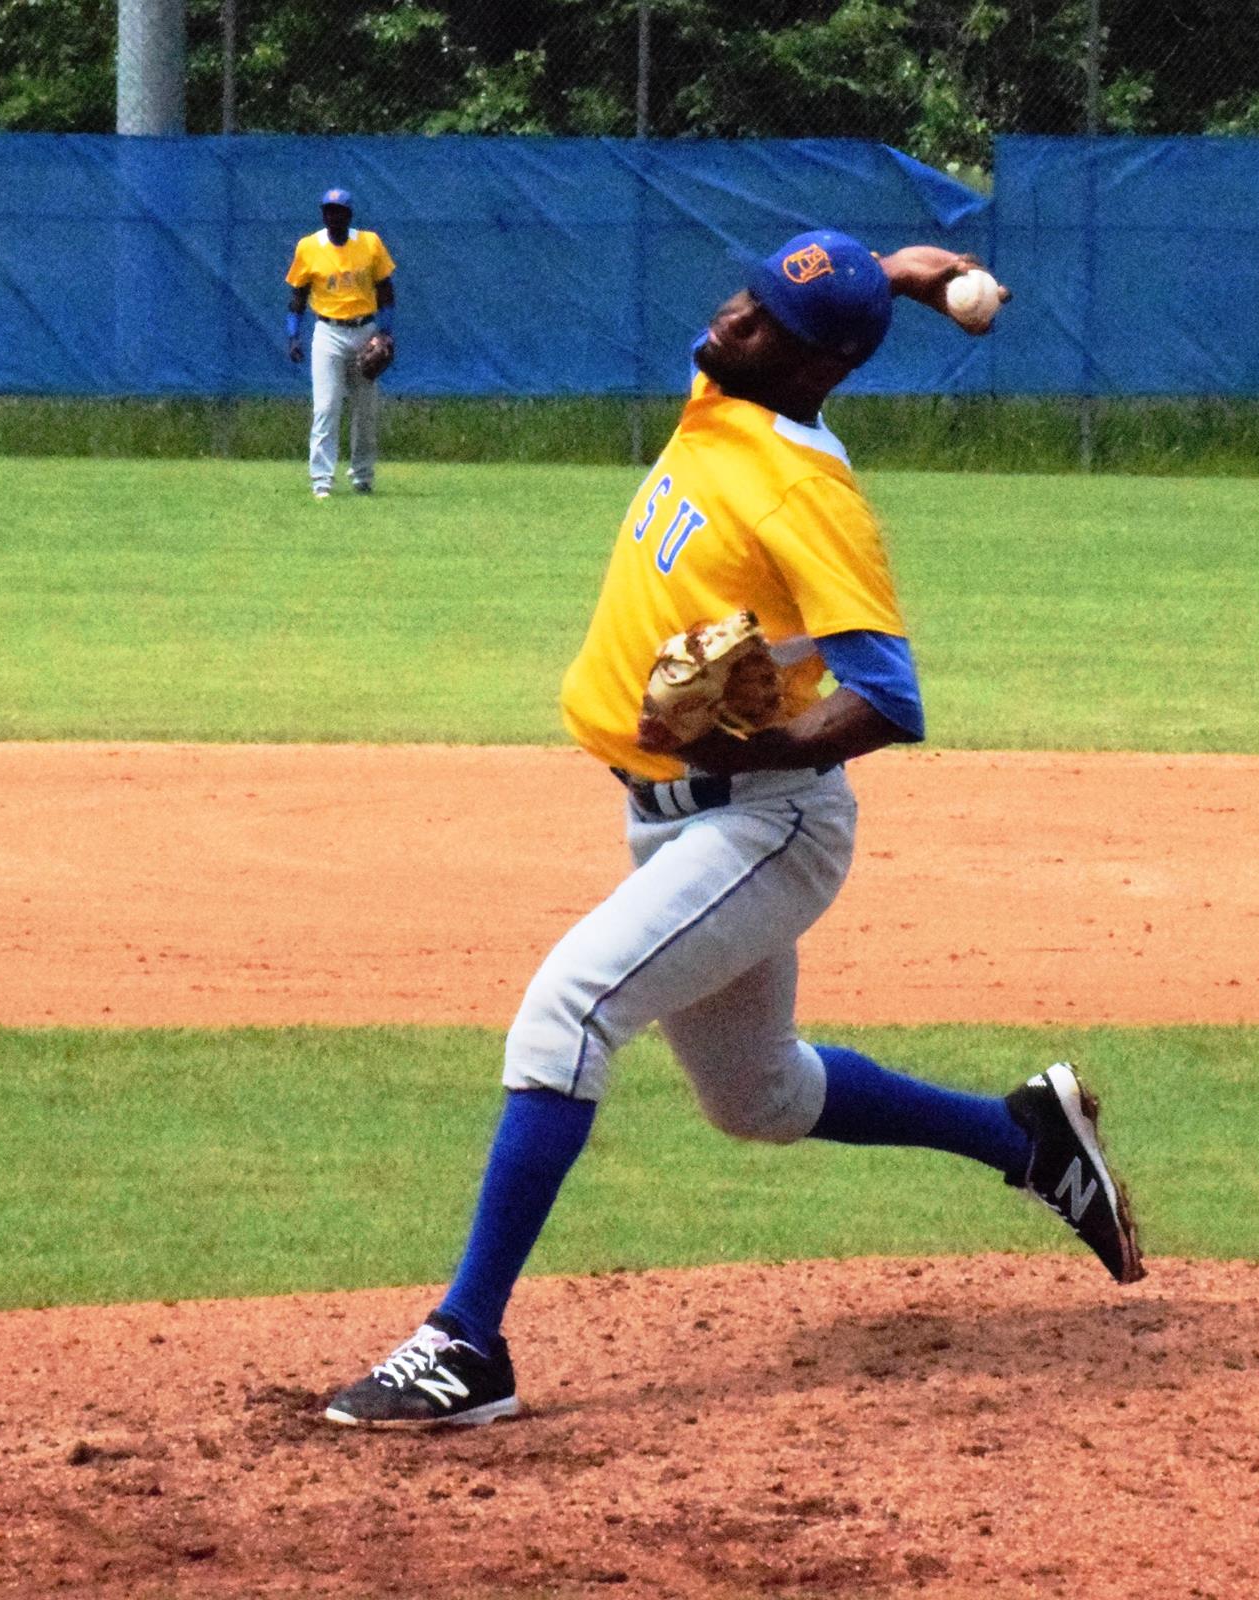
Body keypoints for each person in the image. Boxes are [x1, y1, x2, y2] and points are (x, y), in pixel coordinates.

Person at [324, 230, 1144, 1430]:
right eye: (746, 298)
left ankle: (467, 1343)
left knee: (571, 1009)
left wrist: (755, 751)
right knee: (756, 1095)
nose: (730, 323)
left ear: (813, 370)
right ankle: (1023, 1139)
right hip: (671, 820)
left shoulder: (810, 493)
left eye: (764, 324)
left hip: (766, 824)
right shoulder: (732, 379)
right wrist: (907, 278)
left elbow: (890, 698)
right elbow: (843, 282)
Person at [284, 187, 396, 499]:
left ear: (349, 215)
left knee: (365, 410)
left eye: (339, 211)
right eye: (328, 210)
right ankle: (321, 480)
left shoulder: (369, 243)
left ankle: (362, 476)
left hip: (364, 330)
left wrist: (385, 333)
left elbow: (386, 289)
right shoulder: (309, 247)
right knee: (326, 406)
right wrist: (293, 335)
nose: (333, 216)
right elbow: (298, 296)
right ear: (323, 215)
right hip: (328, 333)